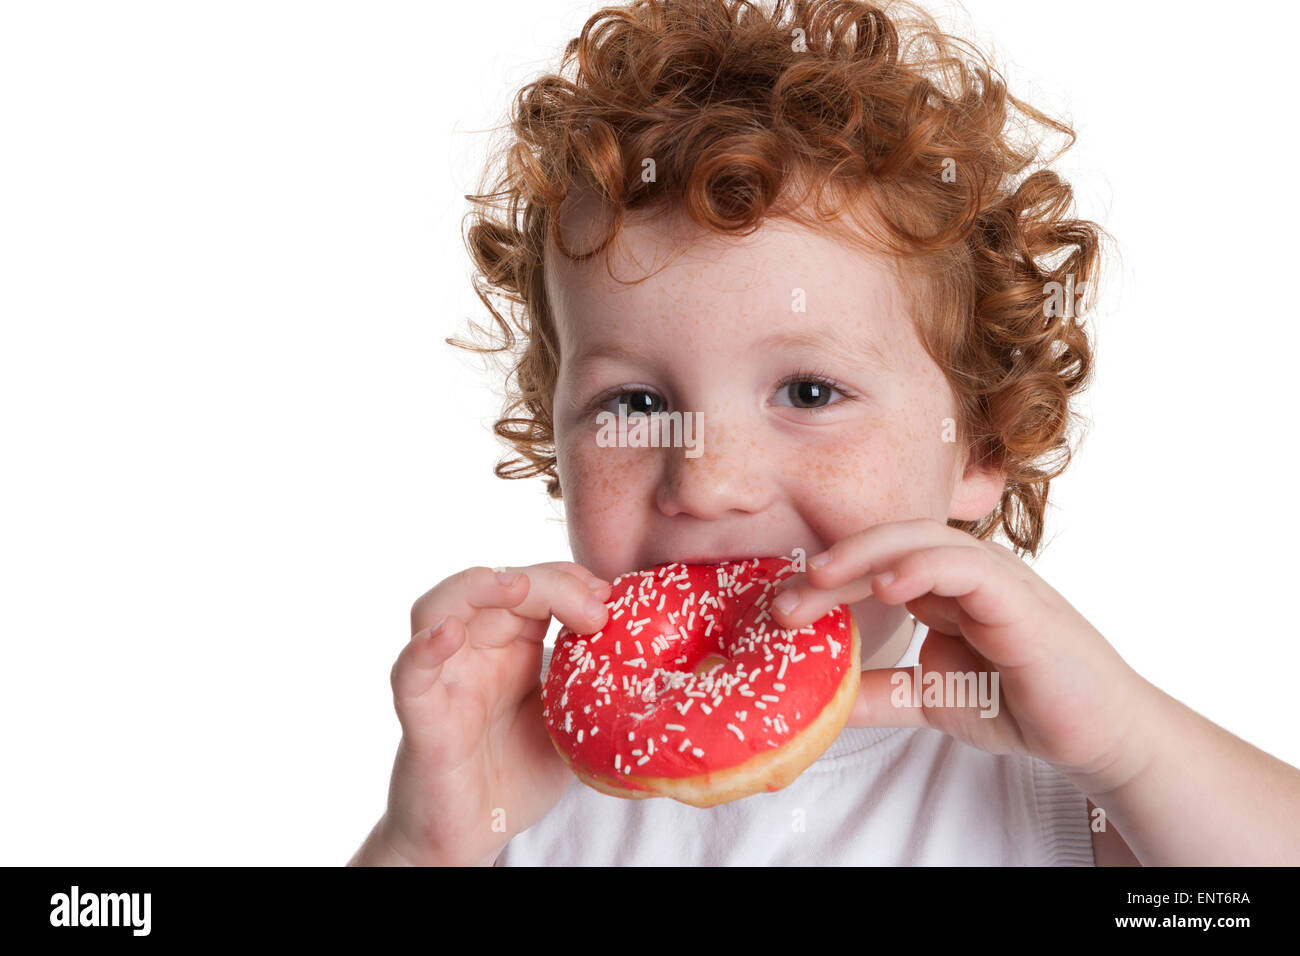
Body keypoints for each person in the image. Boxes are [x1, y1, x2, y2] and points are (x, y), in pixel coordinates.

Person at [349, 0, 1300, 866]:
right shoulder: (522, 801)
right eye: (634, 406)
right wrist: (427, 844)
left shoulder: (1060, 793)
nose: (709, 480)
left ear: (980, 445)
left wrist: (1129, 748)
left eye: (808, 391)